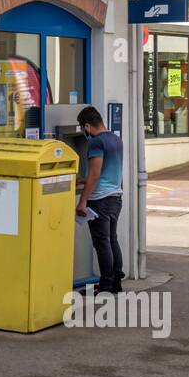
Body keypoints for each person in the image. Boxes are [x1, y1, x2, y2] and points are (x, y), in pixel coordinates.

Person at [75, 106, 124, 294]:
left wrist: (82, 201)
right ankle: (116, 282)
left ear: (87, 126)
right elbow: (104, 172)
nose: (83, 131)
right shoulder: (115, 139)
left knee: (102, 243)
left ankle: (105, 286)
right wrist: (83, 179)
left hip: (99, 199)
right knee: (112, 240)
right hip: (115, 197)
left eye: (82, 127)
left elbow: (95, 174)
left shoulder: (96, 142)